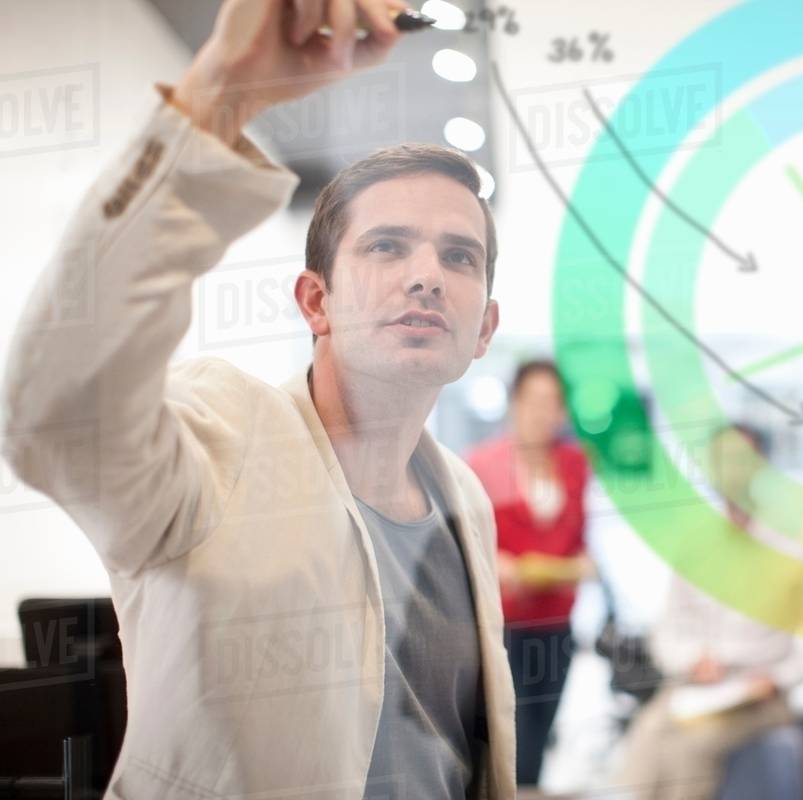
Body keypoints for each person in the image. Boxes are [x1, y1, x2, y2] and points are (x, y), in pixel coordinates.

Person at [0, 2, 516, 797]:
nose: (426, 274)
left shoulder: (467, 500)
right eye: (386, 246)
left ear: (483, 327)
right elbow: (55, 415)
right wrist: (222, 96)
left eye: (459, 255)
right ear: (315, 302)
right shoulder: (223, 434)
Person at [619, 424, 803, 800]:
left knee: (690, 749)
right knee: (645, 739)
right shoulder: (698, 543)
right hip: (696, 684)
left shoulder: (794, 544)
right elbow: (666, 628)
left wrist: (777, 678)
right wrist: (692, 660)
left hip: (758, 692)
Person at [466, 360, 592, 786]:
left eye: (553, 403)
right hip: (506, 625)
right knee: (507, 741)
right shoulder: (486, 464)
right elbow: (472, 543)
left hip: (557, 623)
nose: (543, 412)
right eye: (534, 400)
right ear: (514, 403)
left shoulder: (574, 464)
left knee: (539, 740)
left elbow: (579, 536)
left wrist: (576, 566)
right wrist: (503, 565)